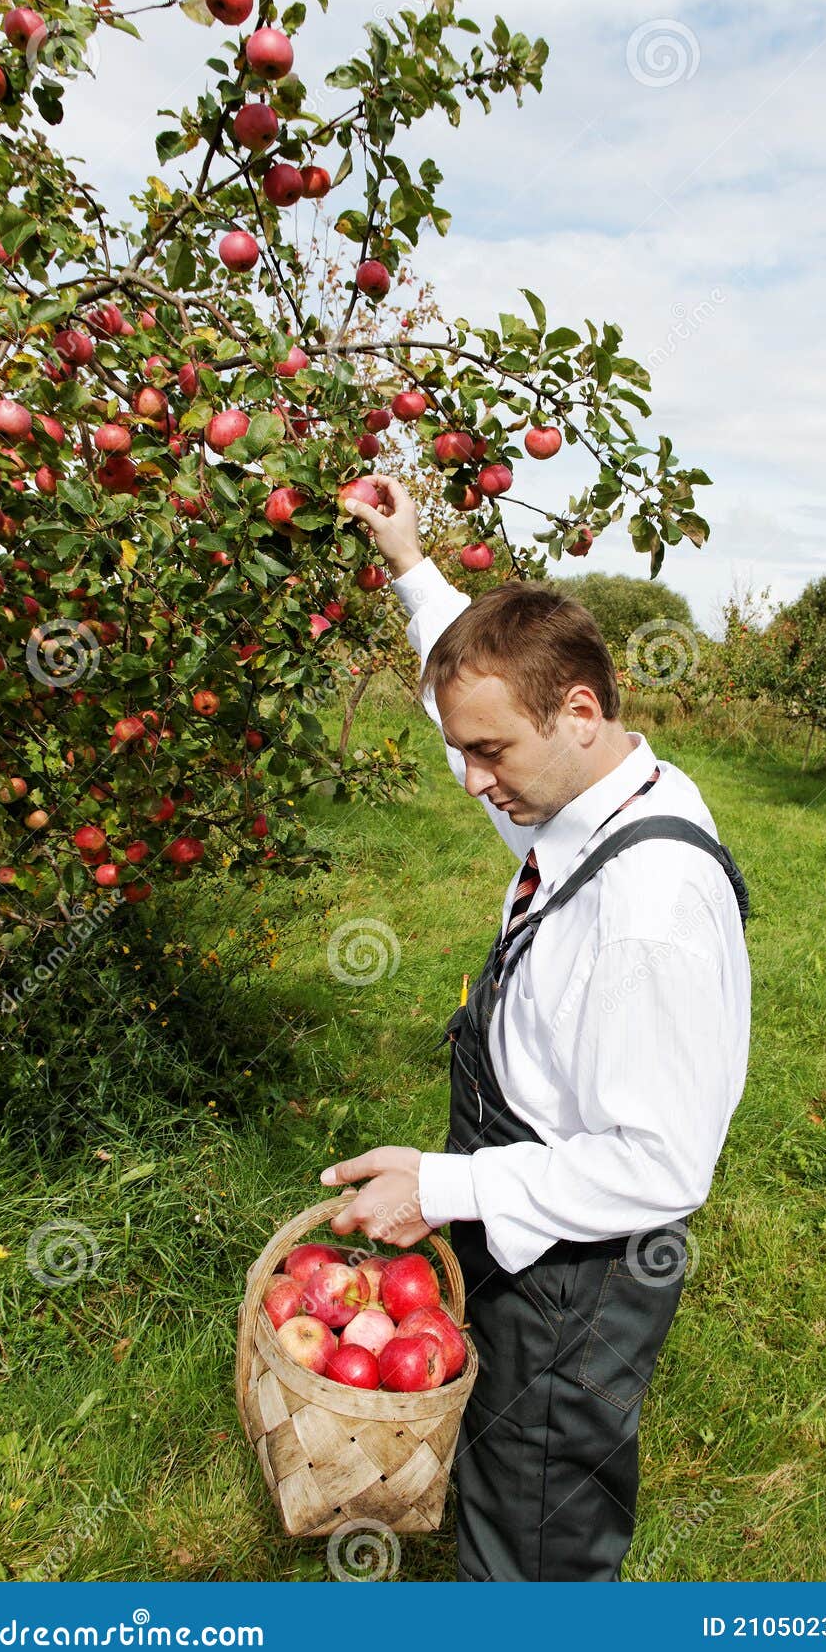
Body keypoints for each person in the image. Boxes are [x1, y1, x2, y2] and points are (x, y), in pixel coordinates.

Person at [322, 474, 751, 1582]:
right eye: (464, 748)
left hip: (580, 1262)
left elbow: (657, 1165)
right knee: (505, 1478)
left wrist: (442, 1184)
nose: (470, 780)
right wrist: (410, 565)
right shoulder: (582, 791)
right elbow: (473, 701)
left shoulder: (643, 910)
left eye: (489, 756)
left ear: (576, 715)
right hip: (533, 1218)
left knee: (536, 1521)